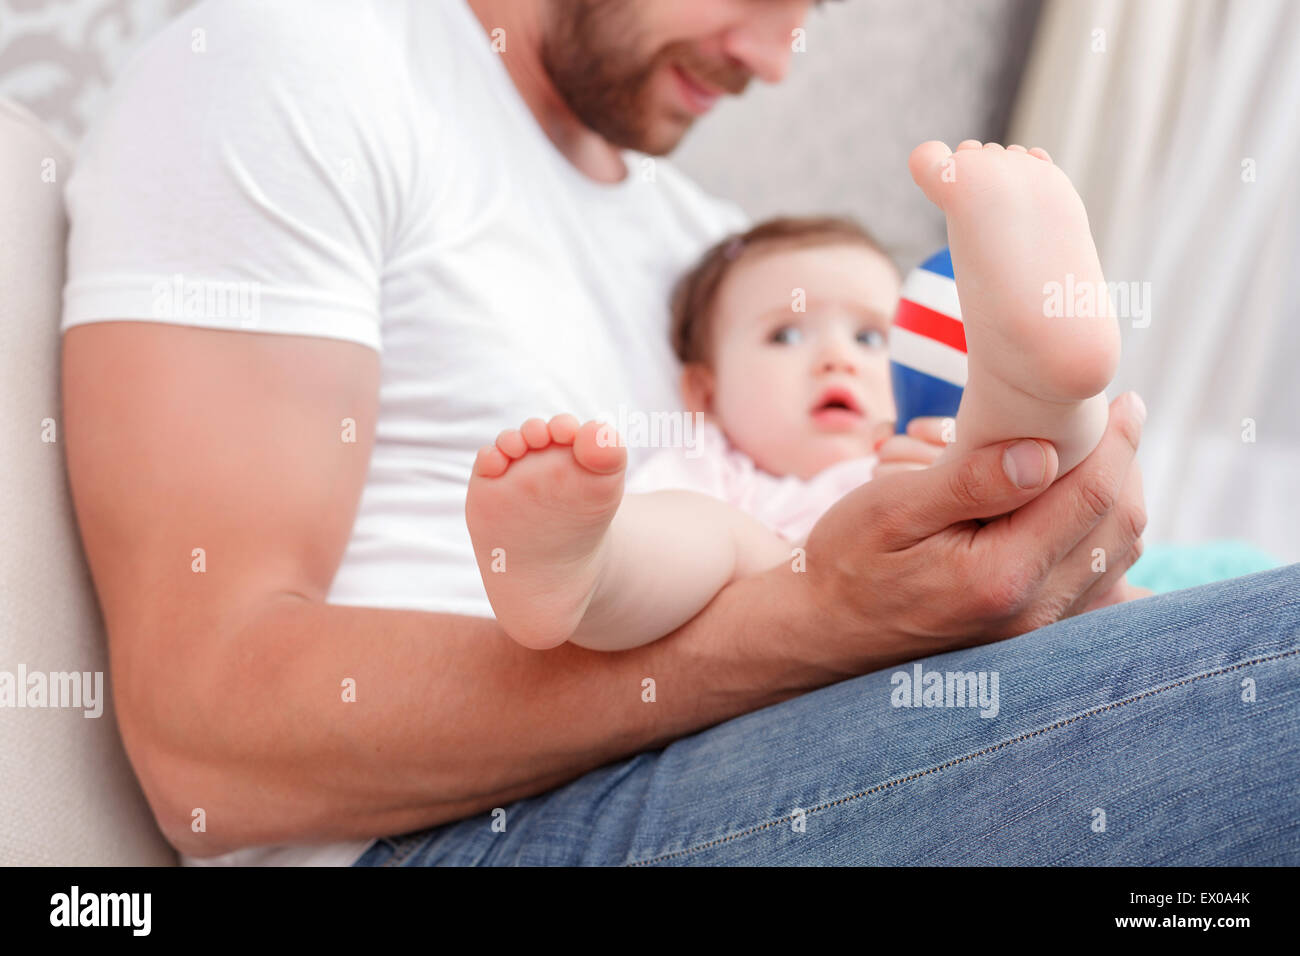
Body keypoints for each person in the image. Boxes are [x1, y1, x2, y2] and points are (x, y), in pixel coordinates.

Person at [57, 0, 1298, 866]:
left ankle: (1044, 396)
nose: (778, 54)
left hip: (762, 731)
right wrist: (815, 618)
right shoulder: (296, 62)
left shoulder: (708, 245)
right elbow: (202, 736)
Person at [467, 170, 1146, 652]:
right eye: (786, 334)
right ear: (704, 393)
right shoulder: (720, 470)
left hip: (968, 621)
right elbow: (686, 555)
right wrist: (596, 540)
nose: (836, 359)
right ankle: (582, 569)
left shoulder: (914, 449)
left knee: (1013, 474)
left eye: (870, 336)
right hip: (783, 594)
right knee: (715, 537)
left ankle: (1049, 380)